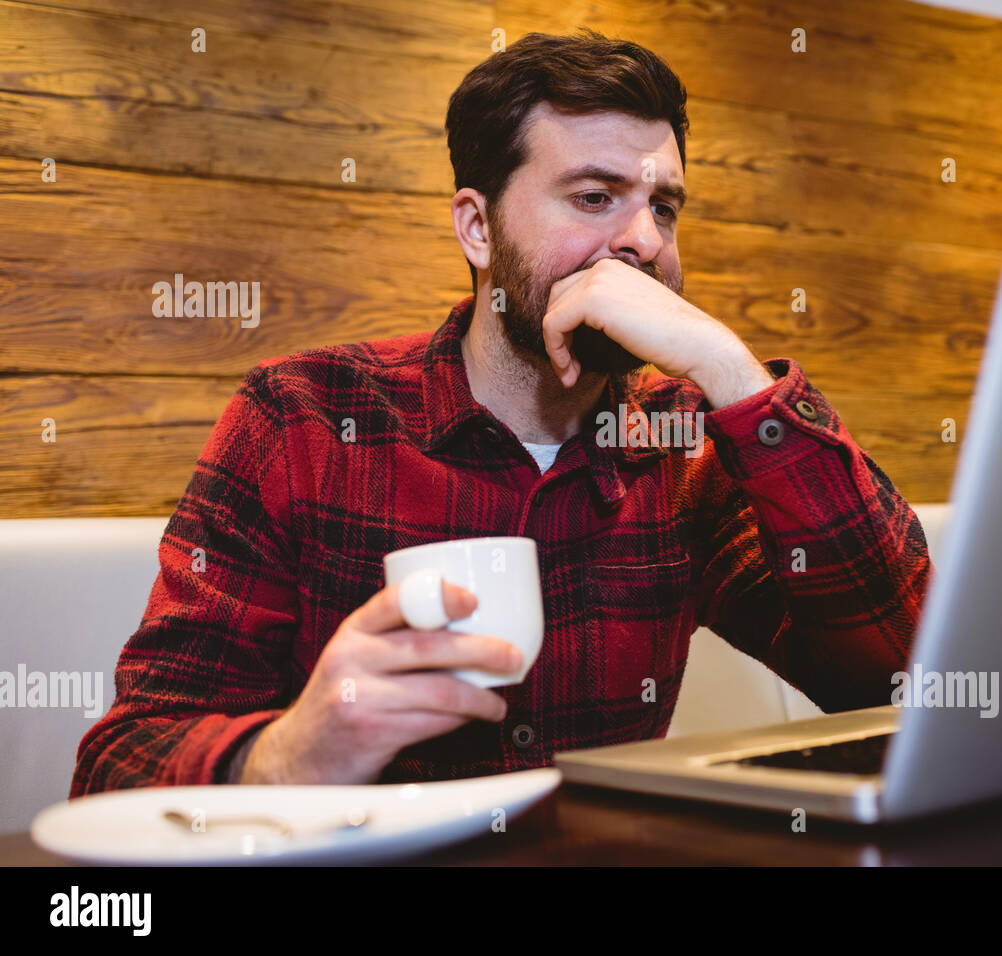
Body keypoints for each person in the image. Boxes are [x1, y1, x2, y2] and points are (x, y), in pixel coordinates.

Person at [71, 29, 933, 792]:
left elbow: (904, 683)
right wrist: (294, 755)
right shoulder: (302, 420)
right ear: (477, 229)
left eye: (662, 207)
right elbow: (121, 765)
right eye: (595, 198)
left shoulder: (681, 445)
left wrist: (732, 373)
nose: (644, 240)